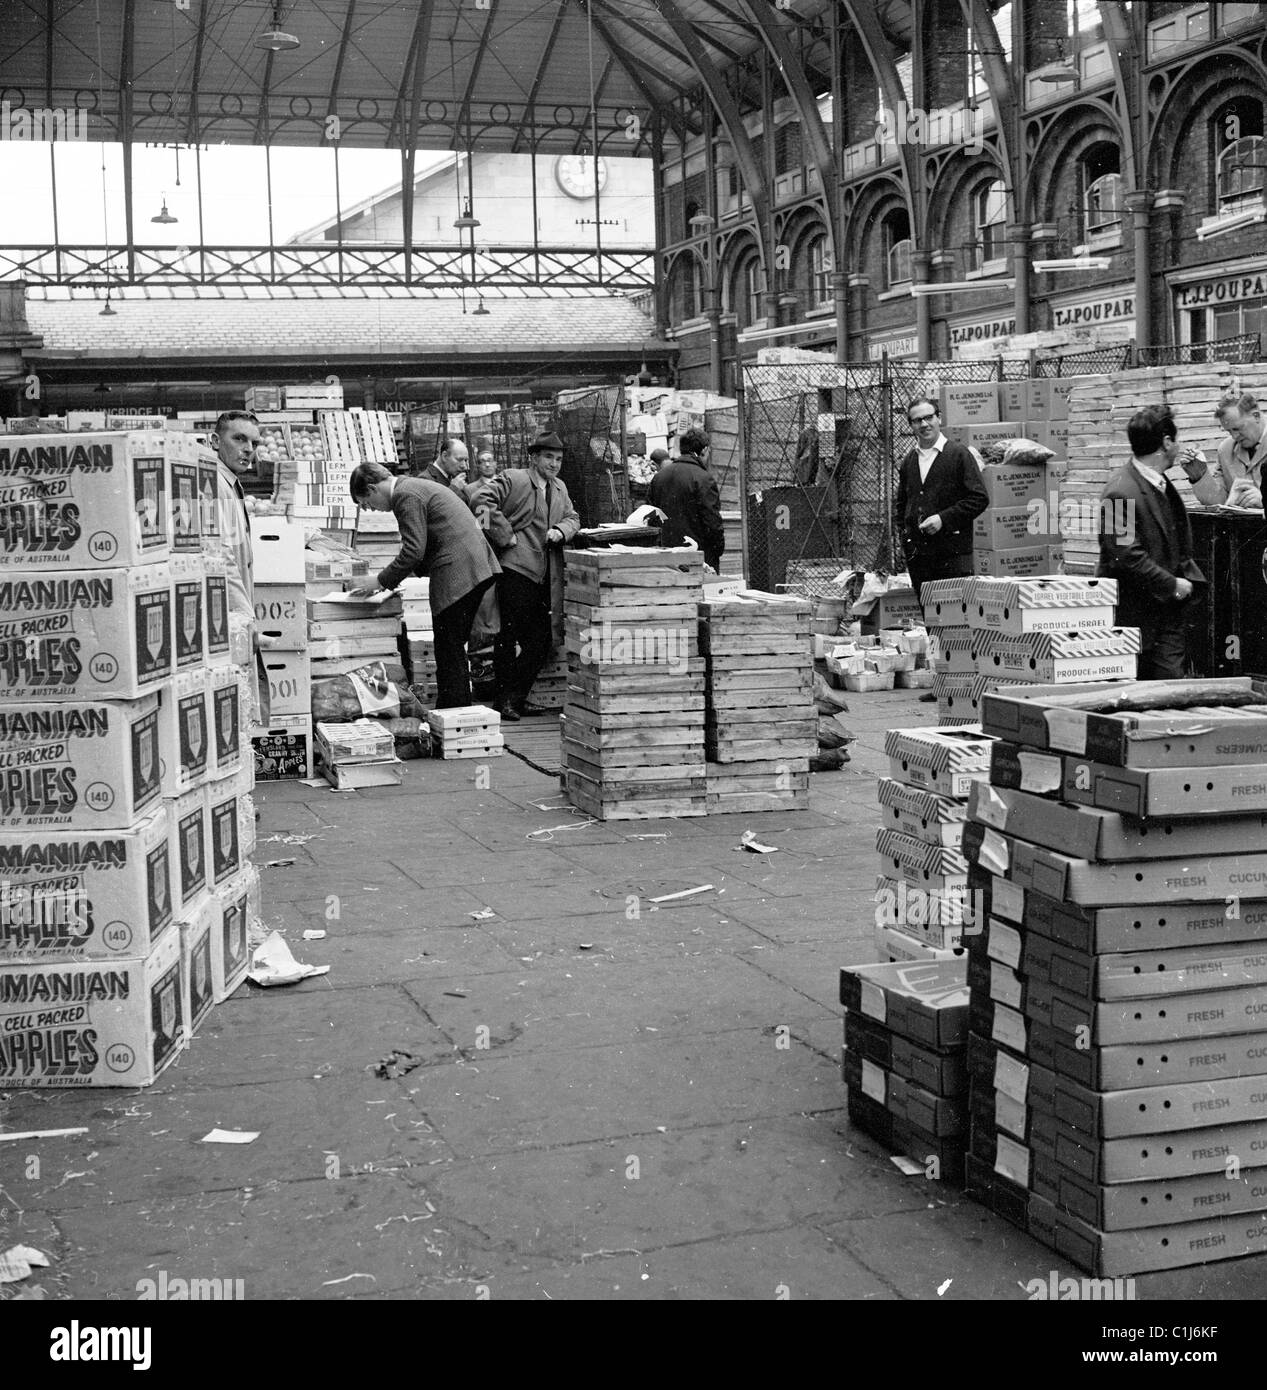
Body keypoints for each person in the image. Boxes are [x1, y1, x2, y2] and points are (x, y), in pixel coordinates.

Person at [348, 462, 500, 709]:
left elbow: (413, 551)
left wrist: (379, 581)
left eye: (366, 503)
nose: (371, 510)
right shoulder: (413, 487)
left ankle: (454, 713)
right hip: (472, 566)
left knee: (448, 647)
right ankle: (451, 710)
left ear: (373, 488)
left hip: (459, 572)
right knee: (451, 645)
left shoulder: (404, 496)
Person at [469, 430, 580, 722]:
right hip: (515, 570)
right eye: (548, 457)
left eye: (558, 459)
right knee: (507, 638)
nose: (554, 464)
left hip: (544, 576)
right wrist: (500, 536)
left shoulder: (560, 488)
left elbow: (574, 518)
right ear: (533, 457)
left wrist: (562, 531)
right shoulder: (514, 478)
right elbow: (478, 502)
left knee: (542, 641)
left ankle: (513, 697)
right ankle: (505, 701)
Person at [1096, 404, 1206, 681]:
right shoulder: (1119, 491)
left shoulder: (1158, 482)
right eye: (1175, 440)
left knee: (1170, 685)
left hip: (1165, 615)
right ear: (1167, 442)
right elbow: (1126, 555)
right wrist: (1172, 585)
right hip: (1136, 619)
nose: (1178, 446)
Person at [894, 396, 988, 605]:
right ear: (911, 425)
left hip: (952, 555)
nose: (924, 424)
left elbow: (979, 498)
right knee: (930, 617)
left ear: (939, 419)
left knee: (955, 618)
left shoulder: (958, 455)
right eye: (917, 420)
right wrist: (906, 539)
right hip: (919, 558)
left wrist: (943, 519)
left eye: (929, 418)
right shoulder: (909, 461)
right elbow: (902, 505)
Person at [210, 409, 271, 724]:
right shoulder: (217, 486)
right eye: (239, 439)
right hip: (231, 619)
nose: (249, 449)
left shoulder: (229, 484)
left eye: (255, 442)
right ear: (215, 441)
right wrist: (246, 620)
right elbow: (225, 559)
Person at [648, 426, 725, 569]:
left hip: (667, 557)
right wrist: (717, 550)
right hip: (698, 558)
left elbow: (651, 517)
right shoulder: (703, 479)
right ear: (704, 450)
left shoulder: (659, 478)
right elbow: (712, 522)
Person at [1181, 393, 1265, 508]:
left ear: (1256, 416)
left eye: (1237, 428)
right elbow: (1220, 503)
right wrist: (1199, 476)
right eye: (1229, 431)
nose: (1235, 436)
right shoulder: (1226, 449)